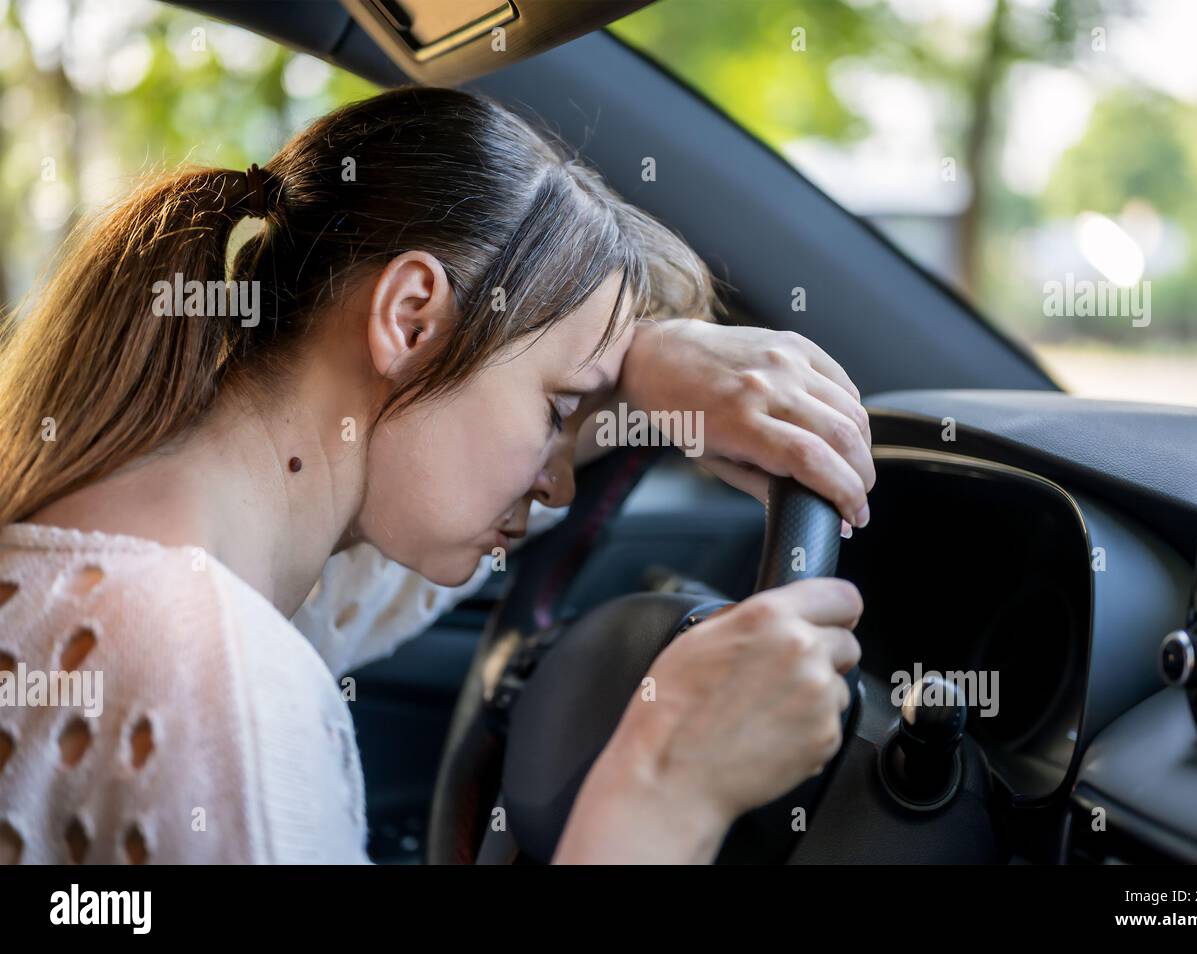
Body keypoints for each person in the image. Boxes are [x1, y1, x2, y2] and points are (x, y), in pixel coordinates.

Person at [0, 86, 874, 864]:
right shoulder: (224, 681)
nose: (559, 485)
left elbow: (365, 573)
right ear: (411, 319)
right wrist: (667, 782)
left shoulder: (90, 565)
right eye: (559, 409)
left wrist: (633, 362)